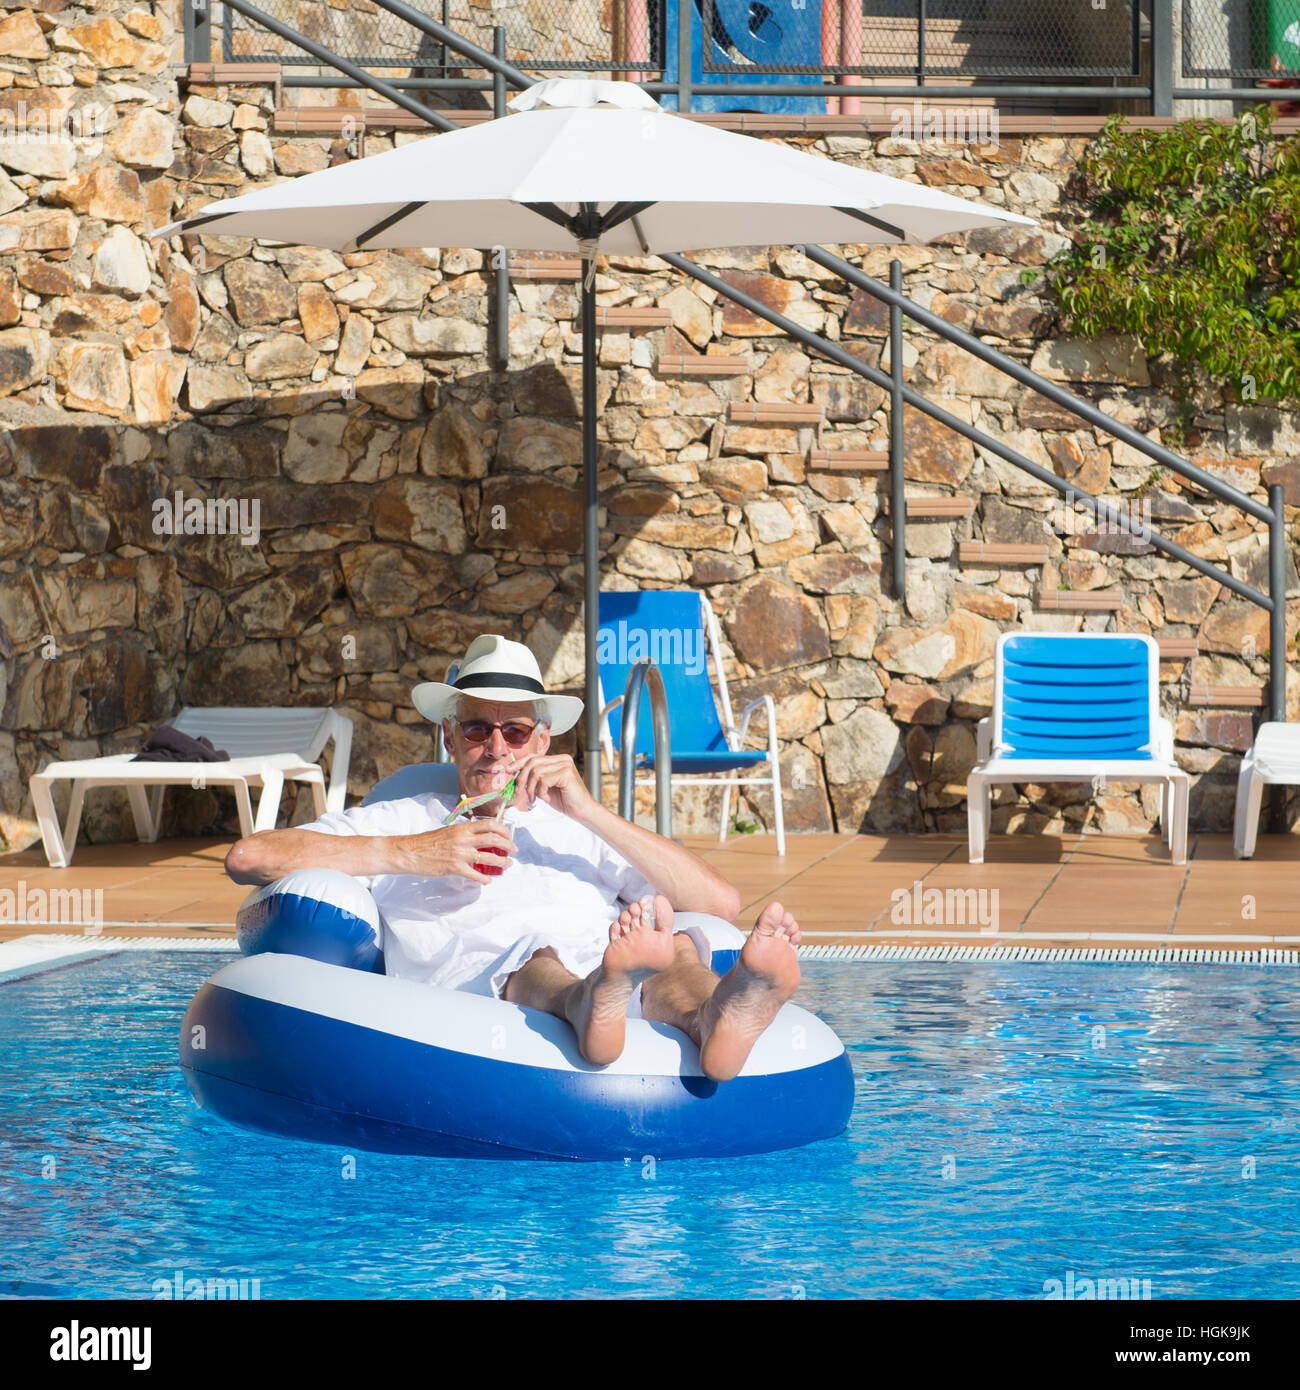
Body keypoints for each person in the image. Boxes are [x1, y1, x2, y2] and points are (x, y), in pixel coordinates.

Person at [225, 635, 801, 1081]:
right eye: (478, 728)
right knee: (535, 957)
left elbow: (720, 903)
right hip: (501, 976)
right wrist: (419, 853)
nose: (497, 748)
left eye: (516, 732)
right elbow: (250, 856)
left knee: (674, 943)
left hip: (616, 961)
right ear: (449, 737)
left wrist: (588, 812)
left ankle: (712, 1019)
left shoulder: (572, 823)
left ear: (542, 742)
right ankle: (589, 1000)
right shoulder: (408, 817)